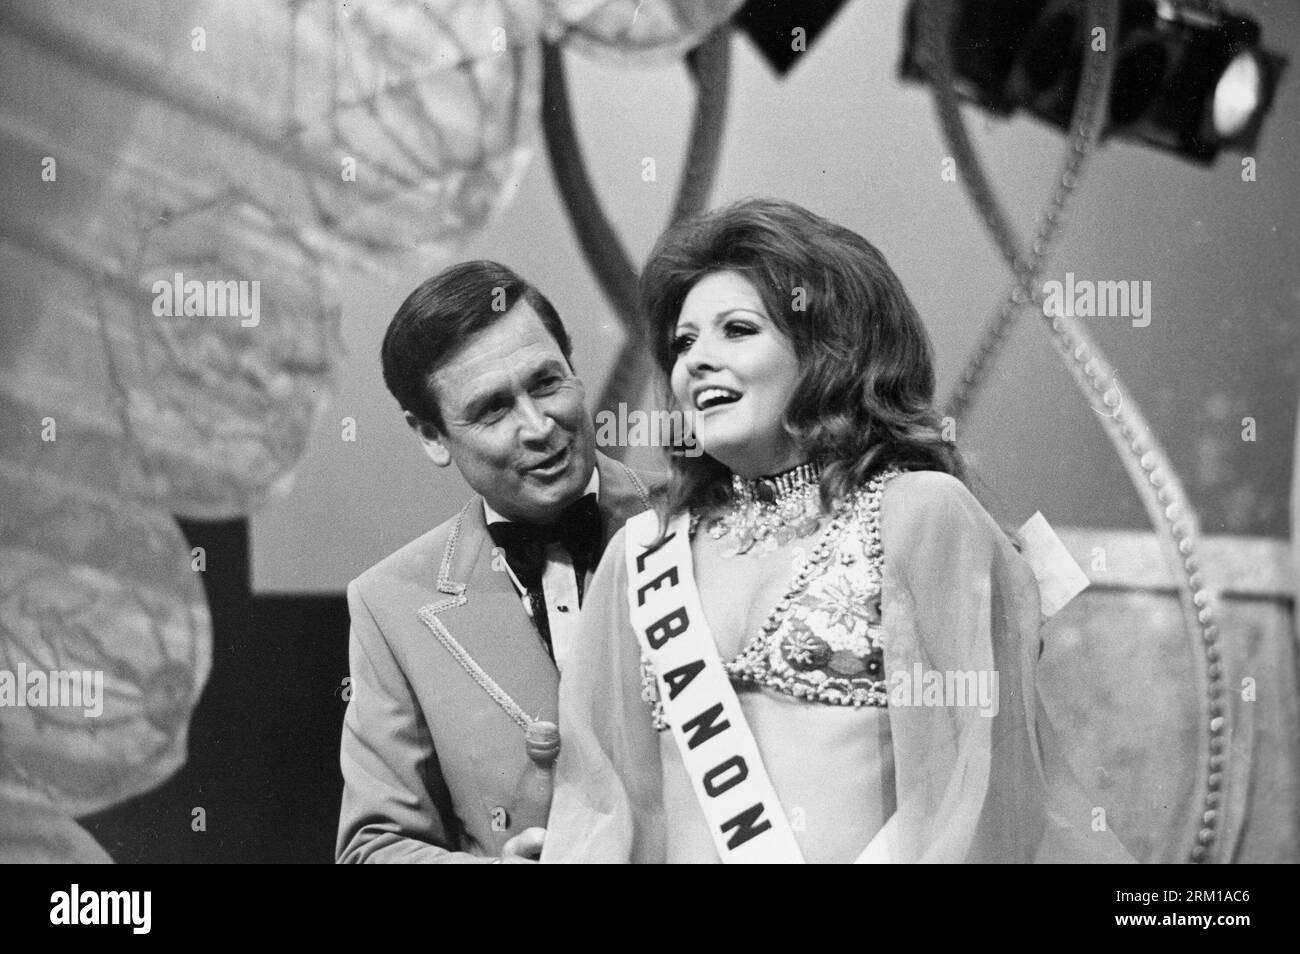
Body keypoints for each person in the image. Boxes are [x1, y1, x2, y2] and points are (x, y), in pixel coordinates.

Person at [541, 198, 1135, 863]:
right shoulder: (642, 555)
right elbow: (601, 806)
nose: (697, 361)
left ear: (829, 350)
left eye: (737, 329)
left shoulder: (921, 514)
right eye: (683, 342)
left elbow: (980, 791)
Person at [336, 260, 654, 863]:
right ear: (431, 436)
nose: (538, 427)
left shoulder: (700, 523)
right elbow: (371, 850)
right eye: (492, 410)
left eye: (547, 383)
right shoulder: (389, 602)